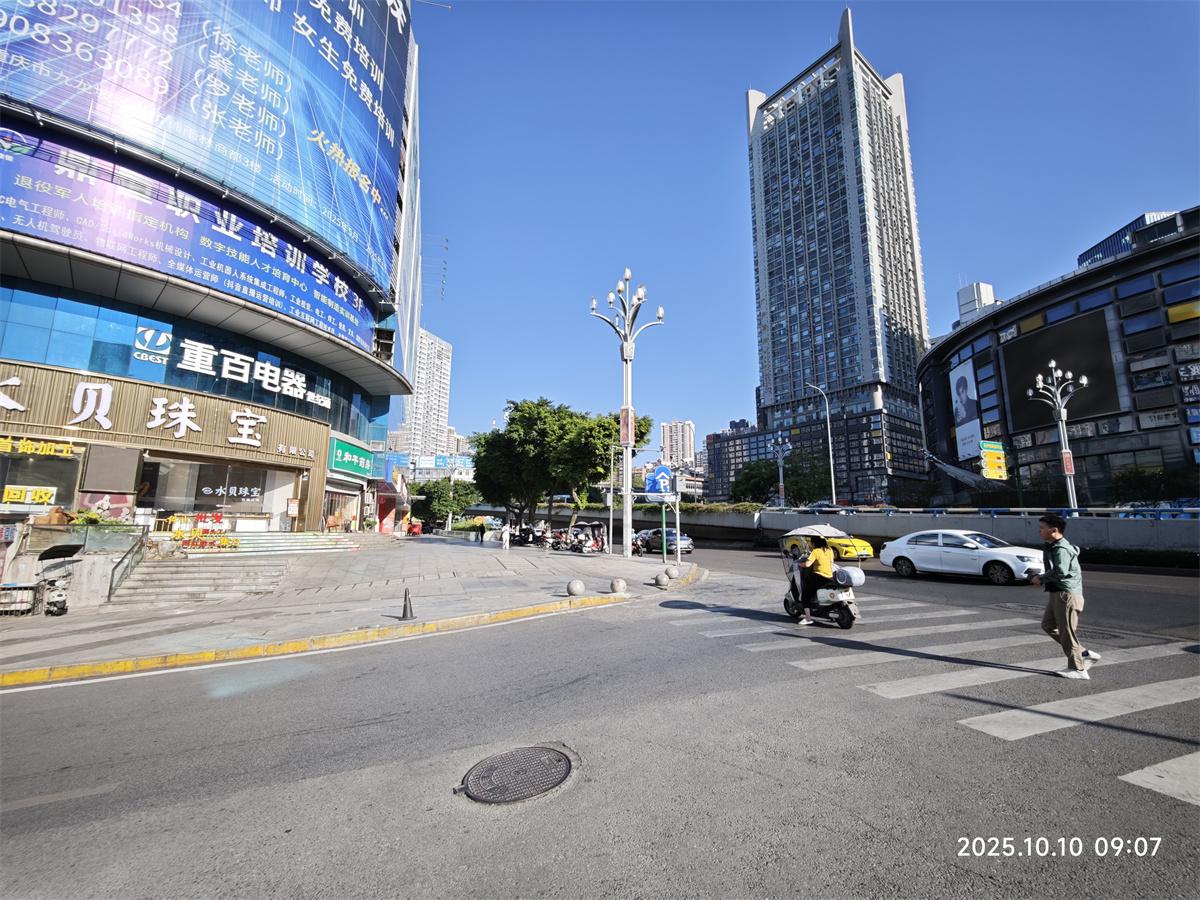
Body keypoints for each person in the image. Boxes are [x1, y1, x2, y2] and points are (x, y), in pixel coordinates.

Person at [1031, 513, 1100, 680]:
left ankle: (1078, 669)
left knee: (1067, 632)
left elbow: (1061, 572)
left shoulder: (1061, 549)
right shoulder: (1054, 546)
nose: (1039, 531)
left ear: (1054, 530)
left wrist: (1041, 578)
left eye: (1042, 528)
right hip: (1057, 592)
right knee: (1048, 625)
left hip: (1066, 594)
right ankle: (1083, 653)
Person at [797, 535, 836, 625]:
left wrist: (799, 564)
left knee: (805, 595)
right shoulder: (829, 550)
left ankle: (808, 618)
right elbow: (832, 561)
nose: (812, 545)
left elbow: (807, 564)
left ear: (814, 543)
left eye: (812, 543)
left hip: (819, 576)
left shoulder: (816, 551)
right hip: (829, 577)